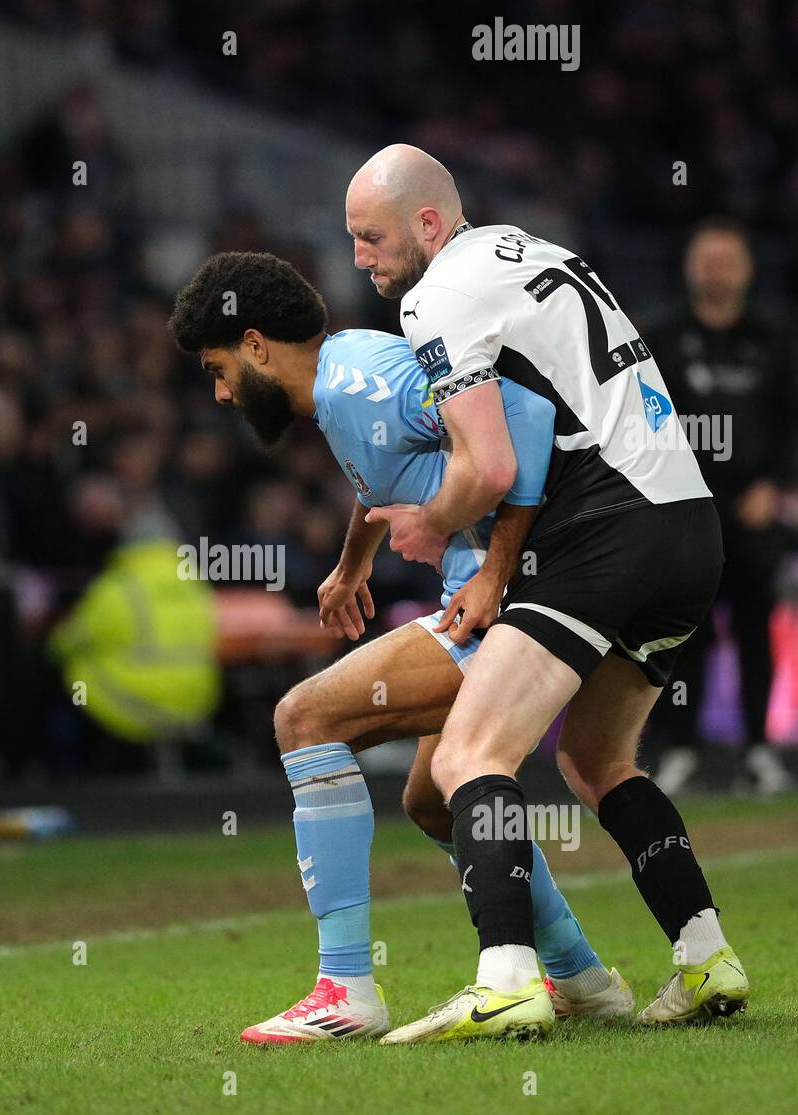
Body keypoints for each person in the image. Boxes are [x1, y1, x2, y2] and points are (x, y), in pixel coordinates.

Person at [169, 251, 632, 1044]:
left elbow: (521, 414)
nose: (219, 393)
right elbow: (387, 478)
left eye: (217, 369)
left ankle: (345, 988)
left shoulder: (360, 381)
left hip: (513, 603)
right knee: (430, 799)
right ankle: (582, 976)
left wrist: (494, 568)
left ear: (254, 346)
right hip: (518, 595)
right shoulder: (348, 387)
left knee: (305, 717)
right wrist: (352, 565)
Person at [346, 144, 748, 1043]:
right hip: (687, 524)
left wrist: (427, 523)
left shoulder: (435, 296)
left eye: (370, 238)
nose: (361, 260)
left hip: (604, 529)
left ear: (428, 223)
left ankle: (509, 979)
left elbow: (489, 466)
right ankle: (706, 953)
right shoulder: (531, 250)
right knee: (598, 760)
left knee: (465, 757)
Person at [648, 219, 798, 795]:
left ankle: (760, 750)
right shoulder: (661, 338)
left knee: (757, 630)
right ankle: (679, 749)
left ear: (748, 268)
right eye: (707, 258)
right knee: (682, 634)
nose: (718, 269)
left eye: (728, 259)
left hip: (754, 513)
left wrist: (776, 484)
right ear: (690, 266)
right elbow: (643, 418)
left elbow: (794, 420)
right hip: (686, 512)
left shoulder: (773, 341)